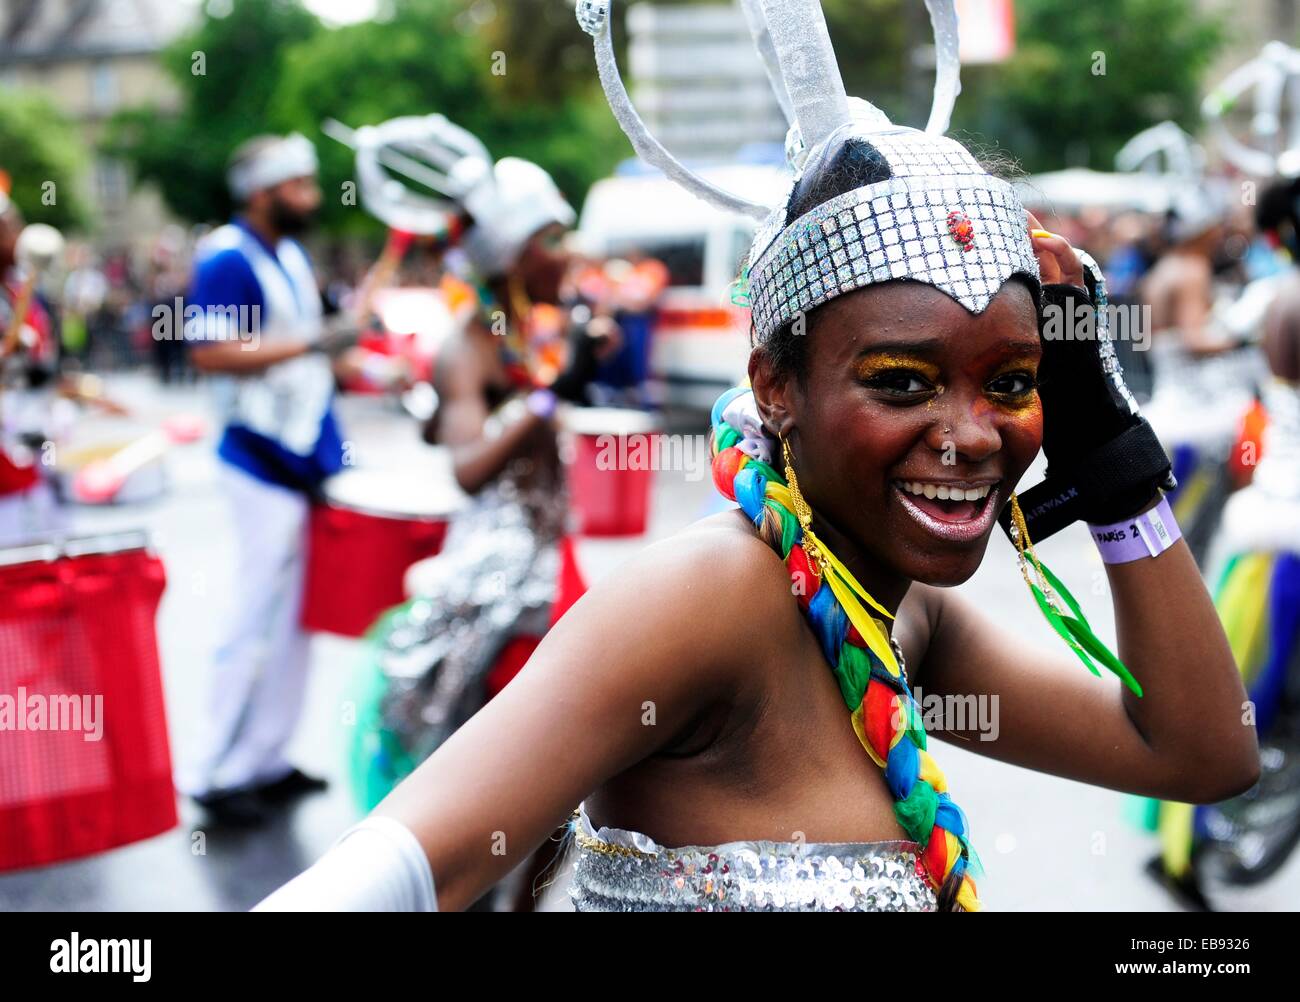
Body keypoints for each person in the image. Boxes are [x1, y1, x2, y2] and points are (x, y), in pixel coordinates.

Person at [257, 0, 1258, 913]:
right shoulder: (713, 594)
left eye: (1007, 382)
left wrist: (1111, 455)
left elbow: (1201, 753)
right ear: (776, 386)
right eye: (901, 381)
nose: (971, 434)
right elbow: (404, 870)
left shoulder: (904, 618)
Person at [342, 116, 609, 907]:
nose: (568, 254)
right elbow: (466, 465)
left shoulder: (524, 330)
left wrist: (571, 376)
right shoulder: (469, 344)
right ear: (511, 256)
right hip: (501, 586)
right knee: (528, 771)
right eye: (552, 238)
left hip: (550, 566)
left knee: (565, 772)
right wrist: (551, 393)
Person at [178, 133, 365, 826]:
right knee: (254, 614)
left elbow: (305, 359)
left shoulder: (285, 254)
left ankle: (266, 758)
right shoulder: (226, 256)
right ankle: (213, 771)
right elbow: (210, 350)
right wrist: (315, 342)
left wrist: (362, 363)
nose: (312, 198)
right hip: (256, 459)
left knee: (296, 620)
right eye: (300, 186)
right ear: (263, 193)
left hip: (301, 456)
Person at [1143, 175, 1300, 908]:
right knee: (1247, 705)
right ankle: (1189, 843)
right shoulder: (1268, 293)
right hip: (1276, 535)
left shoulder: (1266, 293)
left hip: (1263, 520)